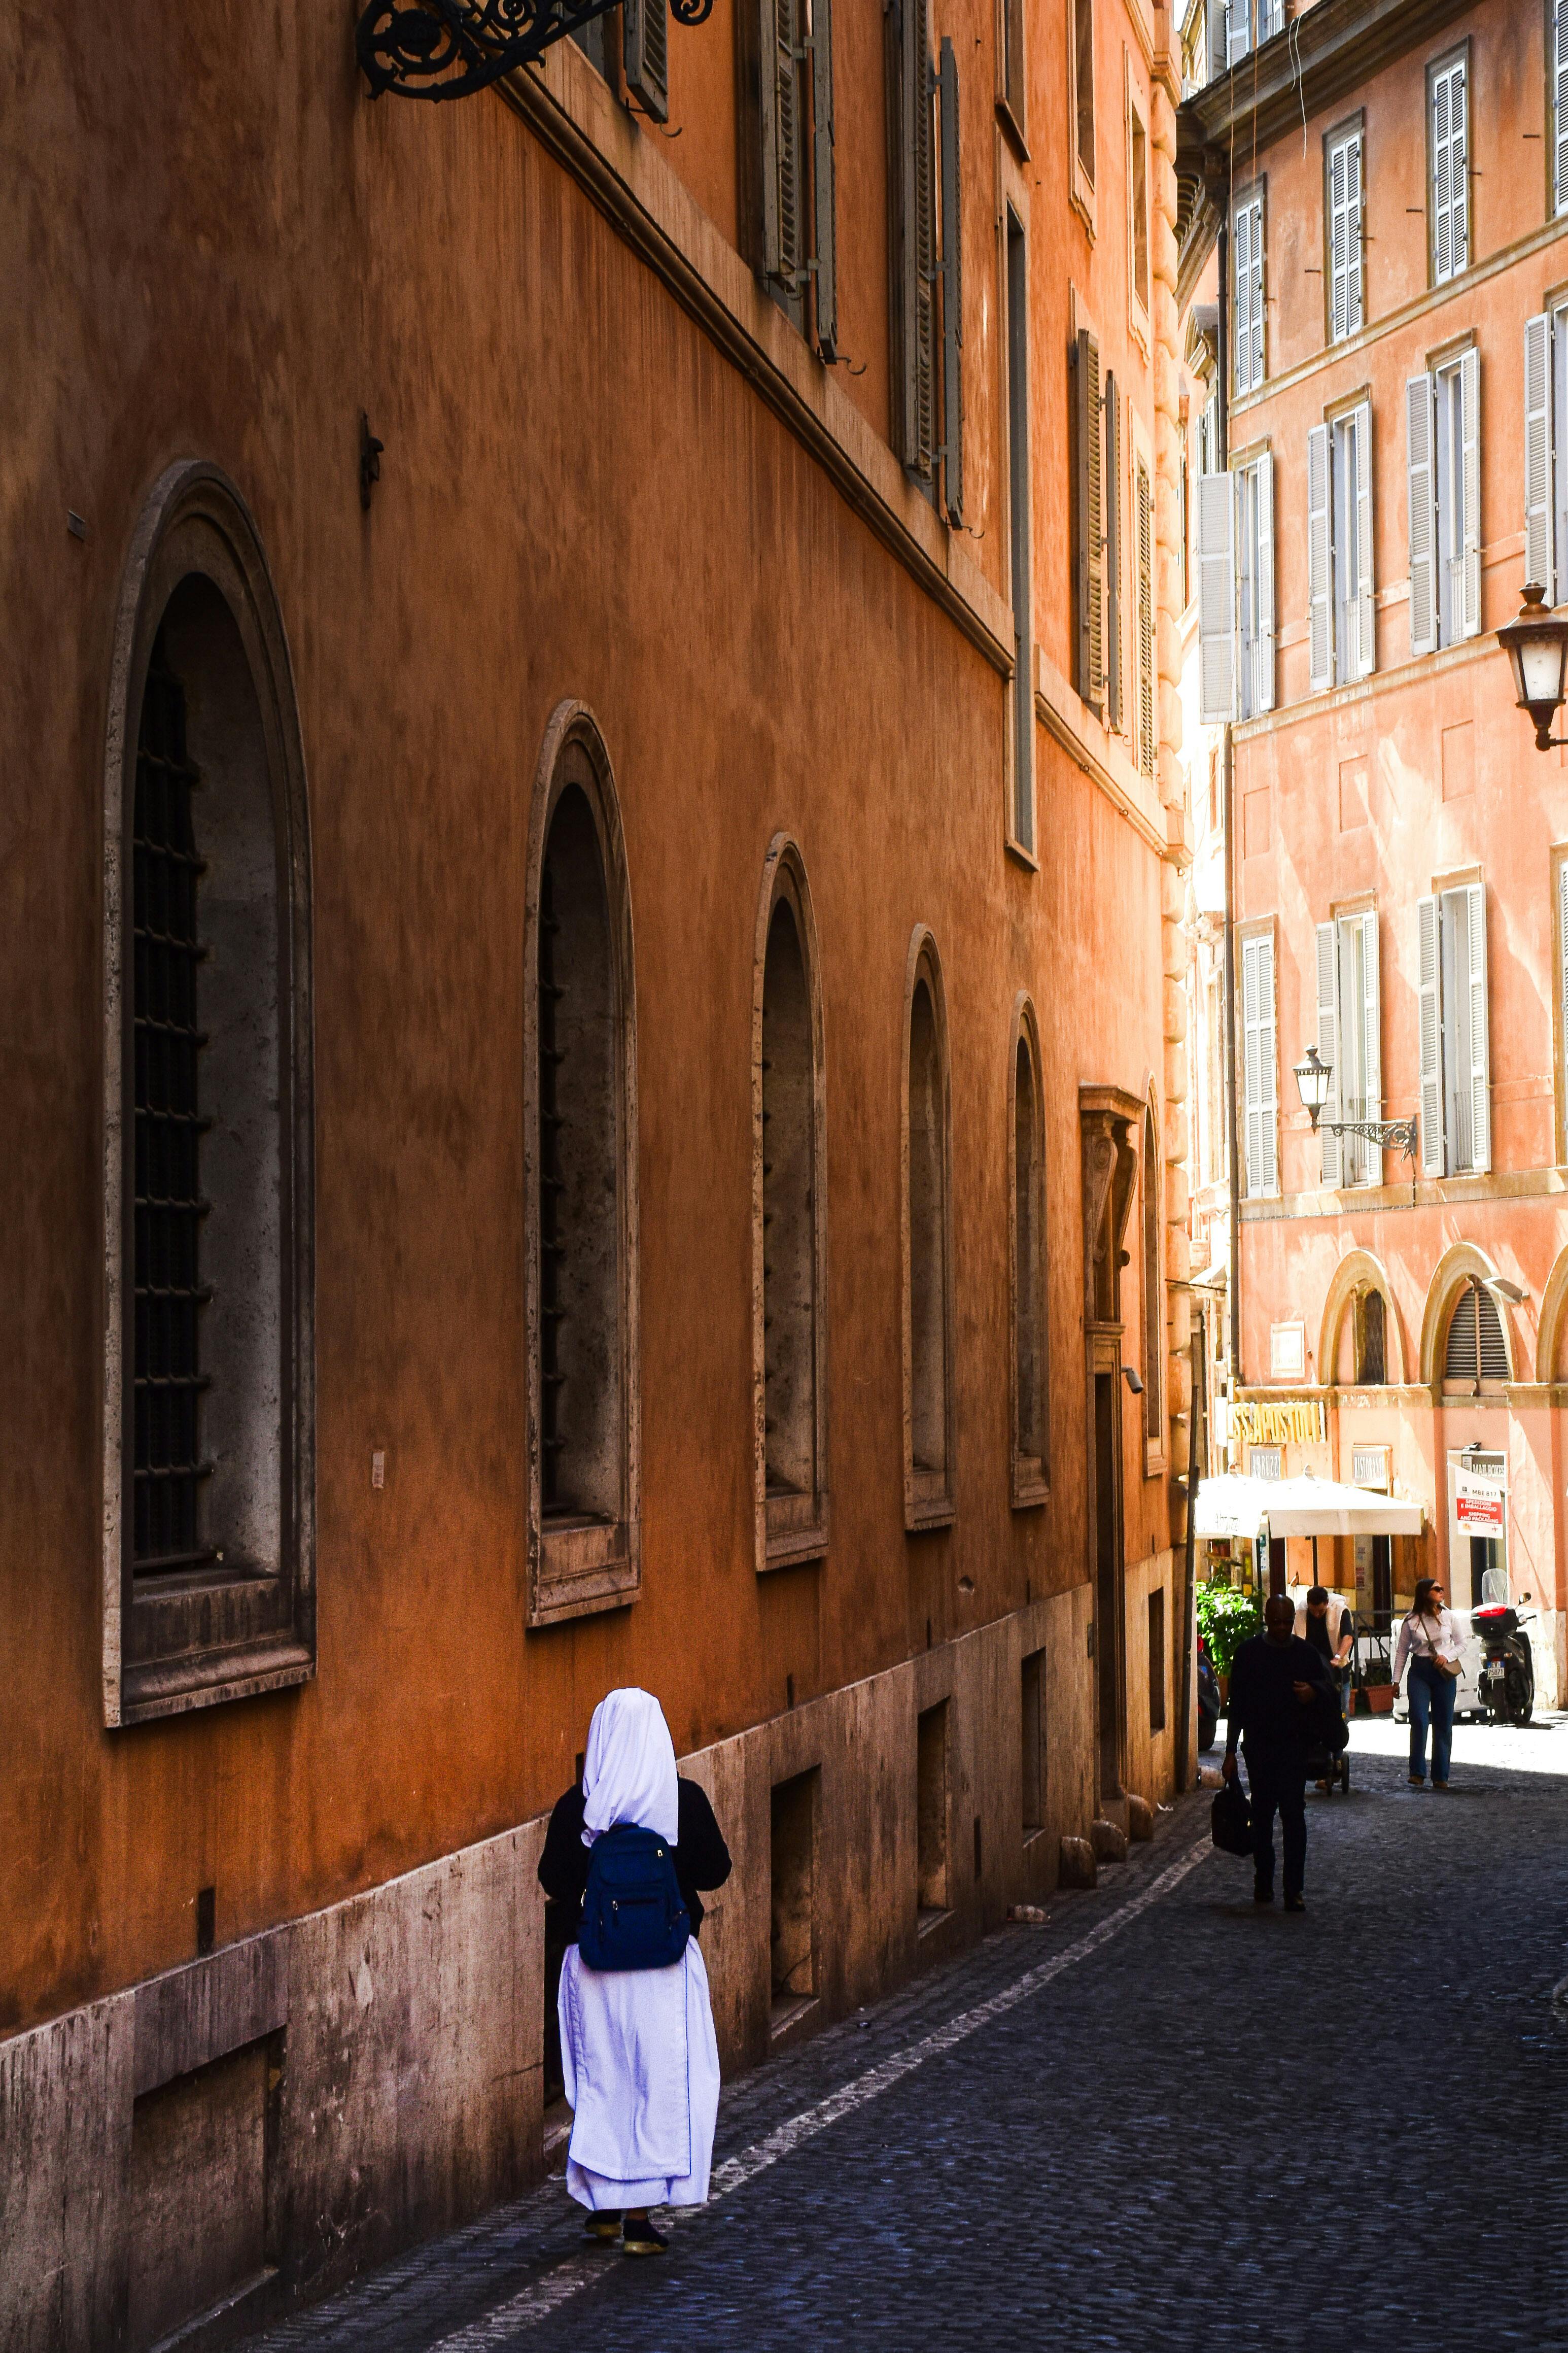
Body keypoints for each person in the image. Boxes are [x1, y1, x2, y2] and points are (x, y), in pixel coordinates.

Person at [537, 1688, 731, 2255]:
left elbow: (552, 1879)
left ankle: (603, 2205)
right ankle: (640, 2220)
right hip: (664, 1968)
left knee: (604, 2081)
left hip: (593, 1964)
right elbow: (716, 1870)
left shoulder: (579, 1806)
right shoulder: (683, 1800)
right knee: (658, 2082)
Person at [1222, 1593, 1335, 1912]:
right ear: (1266, 1620)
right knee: (1262, 1816)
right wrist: (1230, 1752)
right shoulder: (1248, 1654)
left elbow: (1329, 1690)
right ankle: (1263, 1881)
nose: (1284, 1628)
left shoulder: (1306, 1655)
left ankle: (1293, 1889)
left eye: (1288, 1622)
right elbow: (1238, 1708)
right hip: (1259, 1749)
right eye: (1277, 1622)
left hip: (1294, 1748)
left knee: (1294, 1817)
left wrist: (1313, 1692)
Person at [1392, 1576, 1465, 1790]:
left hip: (1444, 1673)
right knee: (1419, 1719)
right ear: (1425, 1594)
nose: (1442, 1592)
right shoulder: (1411, 1620)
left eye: (1442, 1589)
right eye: (1437, 1589)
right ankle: (1417, 1772)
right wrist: (1396, 1680)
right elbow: (1402, 1651)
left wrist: (1447, 1657)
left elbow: (1462, 1644)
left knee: (1443, 1723)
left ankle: (1441, 1776)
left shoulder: (1450, 1617)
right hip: (1420, 1672)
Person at [1296, 1585, 1354, 1792]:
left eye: (1321, 1610)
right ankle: (1312, 1760)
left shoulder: (1340, 1611)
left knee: (1339, 1717)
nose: (1317, 1614)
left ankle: (1337, 1760)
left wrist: (1338, 1657)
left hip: (1336, 1673)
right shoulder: (1301, 1612)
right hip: (1312, 1674)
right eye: (1314, 1611)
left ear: (1327, 1604)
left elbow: (1348, 1637)